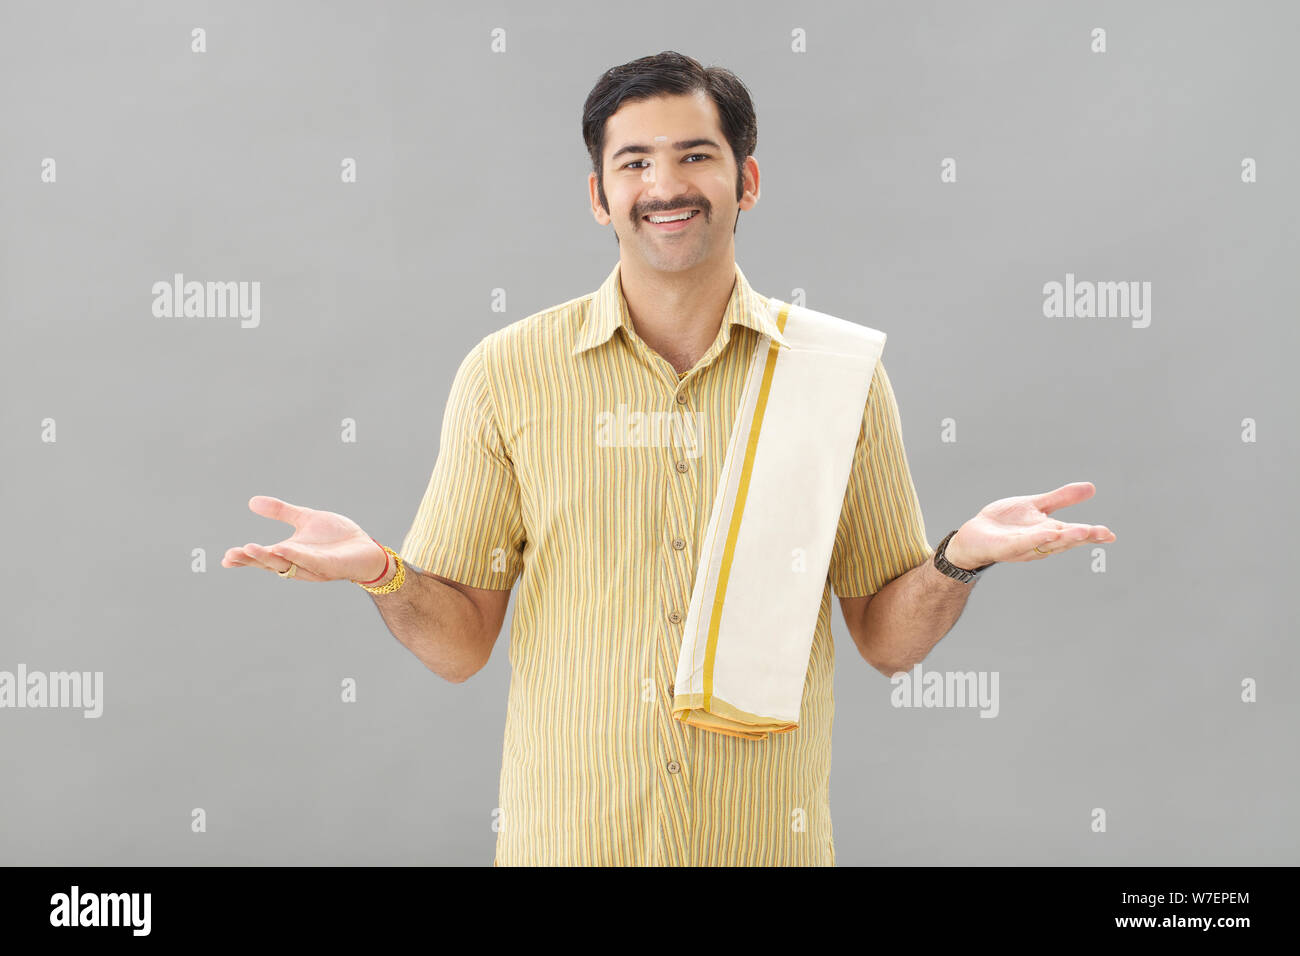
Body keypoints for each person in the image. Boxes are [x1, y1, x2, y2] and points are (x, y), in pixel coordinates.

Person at [223, 51, 1115, 866]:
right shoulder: (508, 374)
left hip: (766, 843)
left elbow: (887, 641)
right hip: (567, 844)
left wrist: (962, 556)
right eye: (635, 163)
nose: (665, 184)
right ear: (599, 195)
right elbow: (460, 648)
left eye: (695, 155)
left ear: (746, 179)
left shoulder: (835, 376)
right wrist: (381, 571)